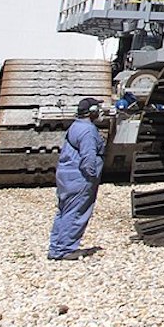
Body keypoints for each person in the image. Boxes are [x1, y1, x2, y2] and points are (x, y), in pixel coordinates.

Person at [47, 97, 106, 261]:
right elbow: (88, 158)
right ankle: (66, 249)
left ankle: (56, 248)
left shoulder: (75, 126)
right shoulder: (88, 131)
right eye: (98, 109)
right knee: (76, 212)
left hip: (66, 175)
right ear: (92, 112)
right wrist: (92, 177)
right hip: (79, 178)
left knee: (64, 211)